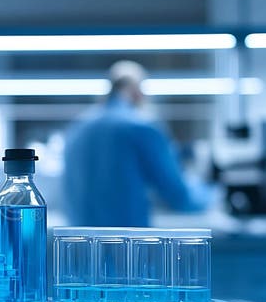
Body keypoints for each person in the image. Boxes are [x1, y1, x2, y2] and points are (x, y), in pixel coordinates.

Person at [63, 60, 209, 227]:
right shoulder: (140, 127)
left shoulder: (77, 128)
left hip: (80, 243)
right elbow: (179, 196)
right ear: (136, 92)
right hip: (126, 244)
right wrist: (211, 191)